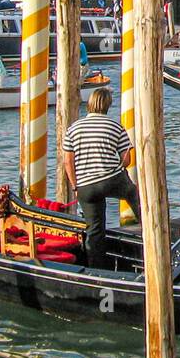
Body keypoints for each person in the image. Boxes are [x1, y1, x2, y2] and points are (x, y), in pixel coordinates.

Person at [63, 87, 139, 269]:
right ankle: (149, 229)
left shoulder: (73, 128)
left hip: (86, 187)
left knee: (95, 230)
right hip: (112, 179)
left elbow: (67, 162)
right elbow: (126, 159)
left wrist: (75, 186)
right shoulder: (115, 126)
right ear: (108, 105)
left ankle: (97, 269)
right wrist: (120, 167)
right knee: (134, 196)